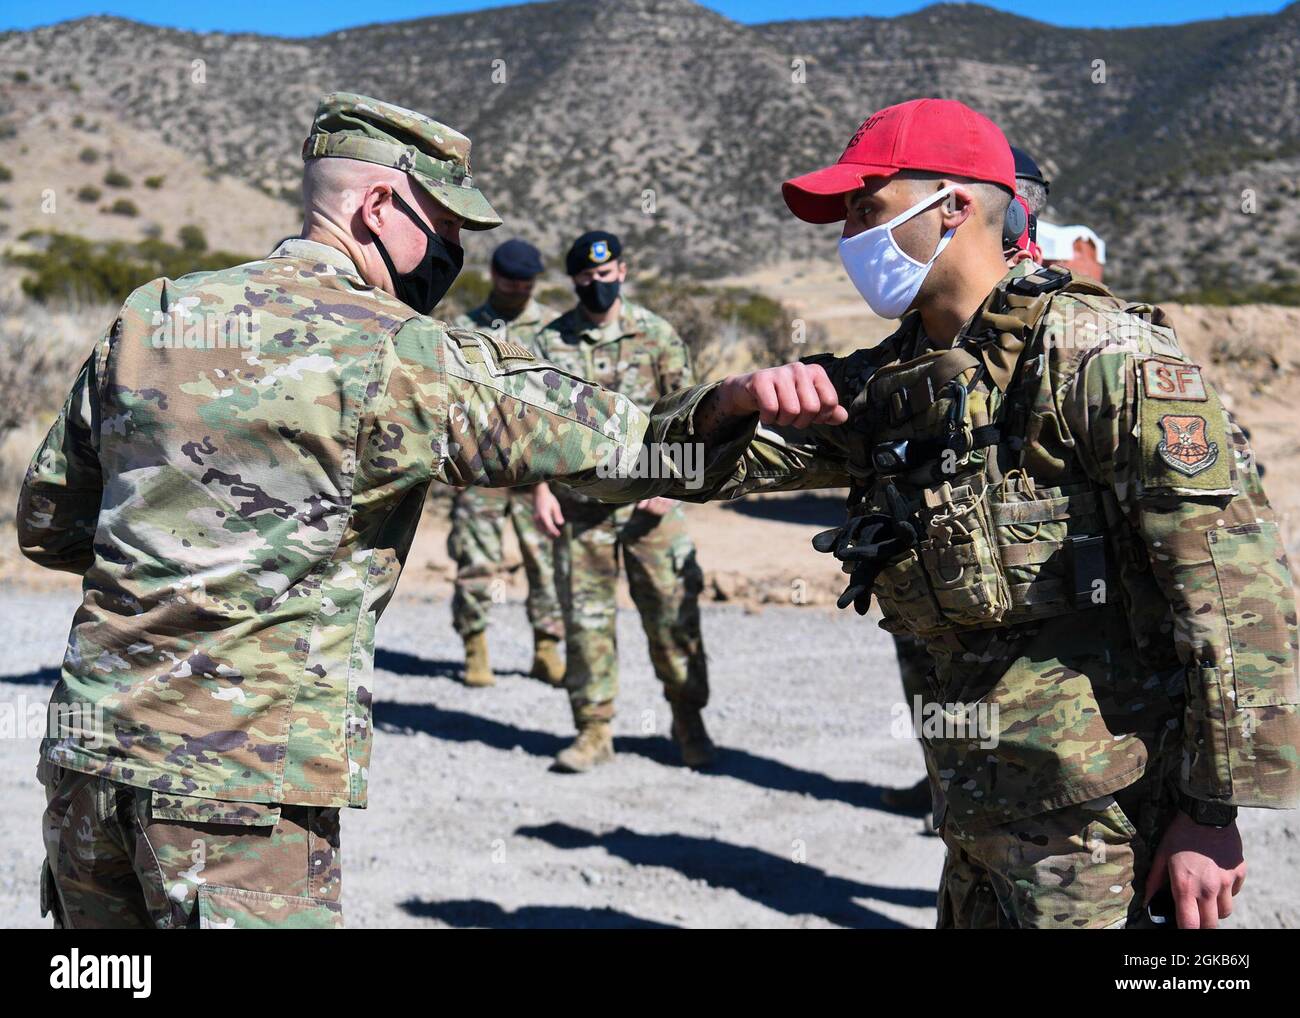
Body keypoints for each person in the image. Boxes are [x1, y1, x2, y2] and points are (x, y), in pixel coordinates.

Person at [628, 98, 1299, 928]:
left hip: (1098, 827)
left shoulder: (1101, 356)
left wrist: (1214, 811)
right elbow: (660, 466)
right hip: (973, 812)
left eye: (866, 209)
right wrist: (727, 403)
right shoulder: (891, 382)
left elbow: (1236, 595)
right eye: (843, 217)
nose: (849, 238)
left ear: (954, 205)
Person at [18, 93, 667, 928]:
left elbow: (48, 525)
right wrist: (776, 415)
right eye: (445, 226)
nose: (454, 252)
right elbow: (618, 442)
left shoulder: (153, 313)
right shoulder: (396, 346)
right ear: (378, 207)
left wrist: (183, 561)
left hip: (87, 763)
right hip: (238, 787)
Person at [531, 231, 713, 773]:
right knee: (585, 621)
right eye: (586, 279)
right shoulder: (549, 342)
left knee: (672, 616)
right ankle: (593, 730)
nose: (597, 286)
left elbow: (695, 419)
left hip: (652, 502)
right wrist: (538, 488)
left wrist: (672, 488)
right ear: (573, 281)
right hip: (580, 506)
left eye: (606, 277)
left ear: (623, 273)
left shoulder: (656, 336)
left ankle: (688, 721)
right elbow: (530, 423)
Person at [448, 239, 564, 687]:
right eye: (511, 281)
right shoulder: (463, 328)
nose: (519, 289)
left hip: (541, 468)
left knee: (547, 560)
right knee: (475, 558)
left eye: (527, 282)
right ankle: (475, 646)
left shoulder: (554, 330)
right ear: (494, 276)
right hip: (479, 468)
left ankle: (547, 647)